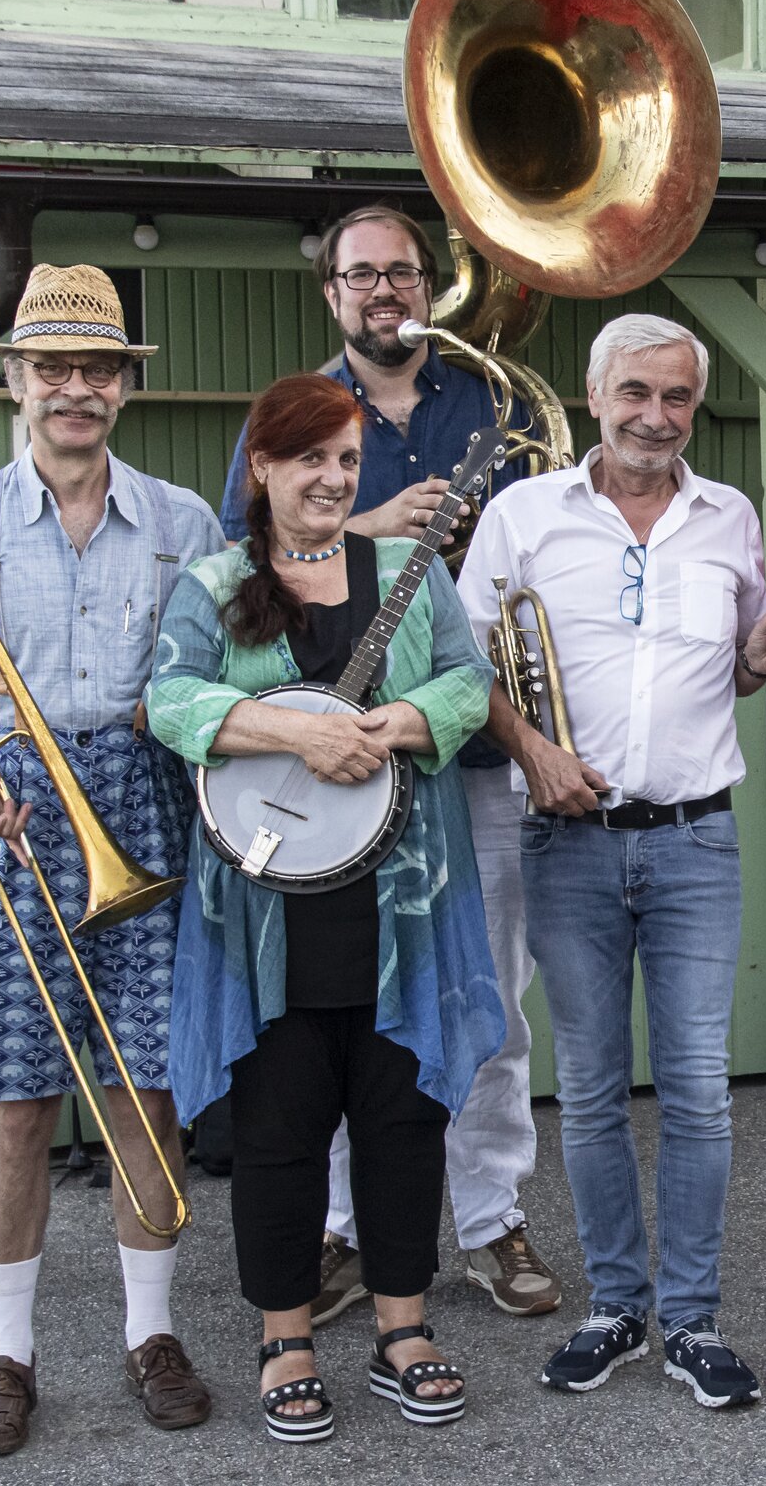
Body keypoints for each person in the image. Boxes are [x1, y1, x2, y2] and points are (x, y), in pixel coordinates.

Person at [0, 263, 223, 1456]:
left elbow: (215, 679)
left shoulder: (184, 521)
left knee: (146, 1091)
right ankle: (6, 1357)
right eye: (52, 370)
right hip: (18, 811)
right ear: (16, 382)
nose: (74, 389)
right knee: (20, 1106)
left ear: (123, 388)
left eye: (97, 370)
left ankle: (149, 1333)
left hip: (143, 806)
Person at [456, 313, 766, 1409]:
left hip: (696, 841)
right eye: (635, 394)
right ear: (593, 392)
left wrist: (761, 658)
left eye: (675, 397)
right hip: (566, 841)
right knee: (596, 1091)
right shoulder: (522, 516)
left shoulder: (729, 517)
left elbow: (744, 664)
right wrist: (532, 753)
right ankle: (617, 1307)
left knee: (702, 1094)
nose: (655, 417)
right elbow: (460, 663)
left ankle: (694, 1321)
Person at [219, 204, 560, 1325]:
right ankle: (341, 1231)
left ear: (430, 286)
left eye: (402, 274)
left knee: (487, 1000)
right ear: (332, 293)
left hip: (468, 754)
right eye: (361, 275)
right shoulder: (301, 412)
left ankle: (490, 1218)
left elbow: (530, 565)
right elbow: (246, 565)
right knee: (333, 1013)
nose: (384, 293)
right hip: (340, 758)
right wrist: (373, 525)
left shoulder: (488, 399)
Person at [149, 372, 505, 1440]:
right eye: (311, 458)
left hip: (401, 910)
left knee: (403, 1122)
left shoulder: (402, 566)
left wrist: (389, 724)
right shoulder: (213, 582)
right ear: (262, 467)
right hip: (266, 913)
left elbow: (468, 682)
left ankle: (405, 1330)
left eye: (347, 460)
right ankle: (286, 1340)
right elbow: (168, 699)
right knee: (279, 1135)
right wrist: (296, 731)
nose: (332, 478)